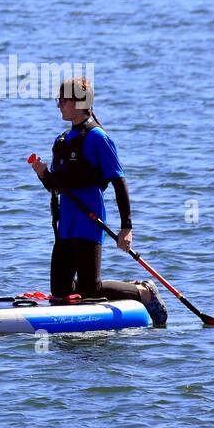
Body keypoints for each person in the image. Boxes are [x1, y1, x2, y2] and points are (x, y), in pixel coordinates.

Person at [29, 78, 167, 324]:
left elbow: (119, 182)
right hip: (66, 225)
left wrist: (126, 227)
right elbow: (56, 187)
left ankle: (143, 292)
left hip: (89, 222)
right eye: (58, 99)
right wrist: (42, 174)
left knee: (90, 290)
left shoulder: (97, 138)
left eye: (64, 99)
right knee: (60, 292)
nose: (58, 104)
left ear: (81, 103)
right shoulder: (61, 141)